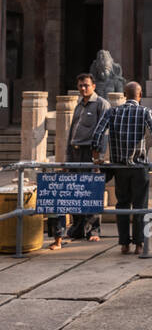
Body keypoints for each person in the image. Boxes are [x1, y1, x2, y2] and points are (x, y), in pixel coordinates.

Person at [91, 82, 152, 254]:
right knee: (141, 205)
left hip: (119, 168)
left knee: (122, 205)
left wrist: (97, 161)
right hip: (139, 167)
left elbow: (97, 135)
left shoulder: (112, 111)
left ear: (125, 95)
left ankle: (124, 243)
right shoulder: (145, 112)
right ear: (139, 95)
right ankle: (140, 244)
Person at [47, 72, 110, 250]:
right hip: (74, 152)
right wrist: (66, 159)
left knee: (91, 190)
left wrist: (99, 158)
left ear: (94, 86)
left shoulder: (101, 104)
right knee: (74, 190)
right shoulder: (78, 106)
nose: (83, 88)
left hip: (90, 153)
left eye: (86, 85)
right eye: (81, 85)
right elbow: (71, 134)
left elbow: (104, 133)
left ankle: (93, 230)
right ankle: (77, 228)